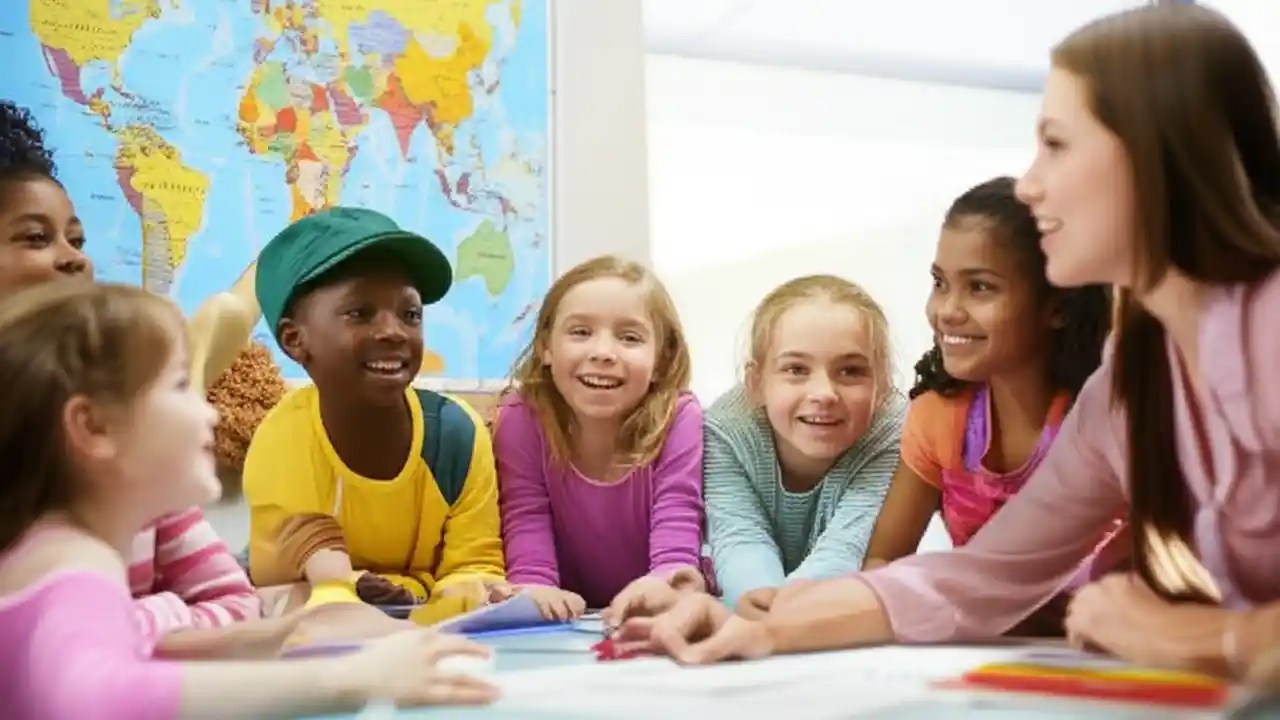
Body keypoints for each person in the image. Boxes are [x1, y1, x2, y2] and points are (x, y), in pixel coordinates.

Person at [614, 3, 1280, 679]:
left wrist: (1200, 638)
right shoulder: (1132, 380)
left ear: (1155, 154)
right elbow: (987, 573)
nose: (1030, 185)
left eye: (1056, 144)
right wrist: (763, 625)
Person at [0, 282, 498, 718]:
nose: (211, 413)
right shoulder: (74, 564)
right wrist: (347, 679)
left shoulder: (55, 553)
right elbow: (99, 699)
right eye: (180, 385)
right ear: (94, 427)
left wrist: (287, 631)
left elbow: (117, 657)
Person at [0, 100, 262, 649]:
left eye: (76, 239)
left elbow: (237, 604)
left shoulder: (131, 434)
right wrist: (154, 615)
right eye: (35, 238)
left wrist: (125, 623)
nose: (74, 258)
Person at [860, 177, 1113, 634]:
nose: (946, 310)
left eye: (979, 287)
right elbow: (882, 563)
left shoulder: (1105, 420)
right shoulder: (938, 420)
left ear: (1057, 306)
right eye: (940, 283)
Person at [243, 207, 505, 620]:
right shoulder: (283, 440)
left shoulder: (457, 436)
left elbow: (475, 566)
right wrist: (355, 585)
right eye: (359, 314)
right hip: (319, 609)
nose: (393, 331)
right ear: (295, 340)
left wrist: (451, 593)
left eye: (410, 314)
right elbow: (281, 569)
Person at [493, 255, 704, 621]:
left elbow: (678, 520)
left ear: (662, 359)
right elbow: (525, 517)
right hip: (571, 616)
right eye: (580, 332)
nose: (603, 353)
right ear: (546, 346)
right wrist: (533, 587)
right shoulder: (521, 418)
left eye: (630, 338)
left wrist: (665, 584)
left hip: (650, 609)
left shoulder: (679, 418)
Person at [701, 275, 905, 614]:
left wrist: (786, 616)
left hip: (836, 600)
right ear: (756, 382)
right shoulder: (727, 429)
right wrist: (760, 605)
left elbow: (847, 548)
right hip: (767, 605)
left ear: (882, 384)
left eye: (850, 371)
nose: (824, 393)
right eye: (796, 369)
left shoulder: (895, 431)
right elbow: (739, 537)